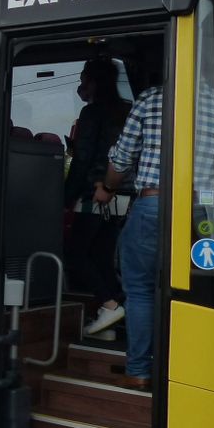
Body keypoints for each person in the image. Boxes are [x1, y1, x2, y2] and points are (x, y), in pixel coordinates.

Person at [95, 81, 214, 390]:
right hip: (204, 212)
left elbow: (121, 158)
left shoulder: (152, 98)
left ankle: (138, 371)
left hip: (154, 205)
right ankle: (187, 371)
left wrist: (107, 189)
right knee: (196, 290)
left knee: (142, 289)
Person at [62, 59, 131, 337]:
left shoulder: (92, 113)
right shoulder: (127, 111)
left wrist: (66, 196)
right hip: (123, 196)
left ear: (94, 82)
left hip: (95, 194)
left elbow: (83, 160)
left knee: (75, 254)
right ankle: (109, 323)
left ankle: (110, 305)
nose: (80, 85)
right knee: (103, 258)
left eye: (83, 79)